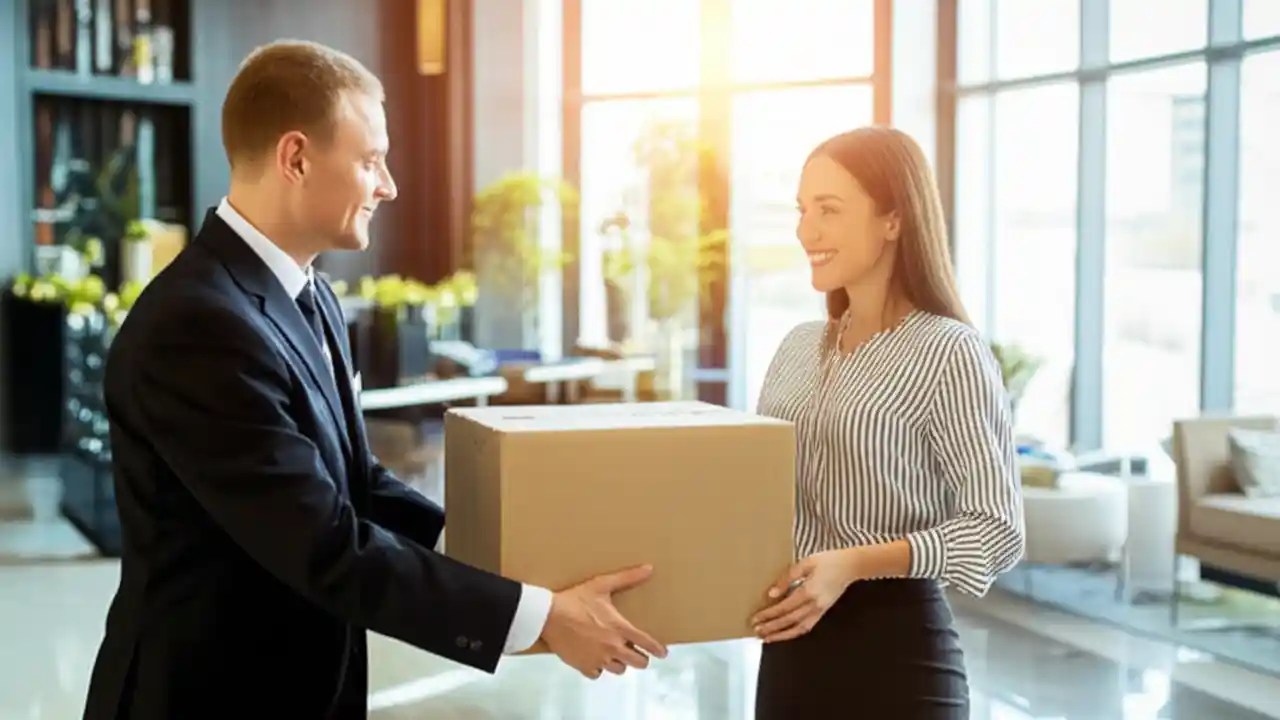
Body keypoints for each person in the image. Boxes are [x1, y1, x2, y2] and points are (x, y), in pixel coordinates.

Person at [82, 40, 665, 720]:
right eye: (369, 160)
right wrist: (539, 617)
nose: (388, 185)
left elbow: (357, 480)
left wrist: (491, 556)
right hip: (209, 694)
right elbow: (325, 544)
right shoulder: (197, 326)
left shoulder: (313, 296)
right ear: (296, 157)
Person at [749, 126, 1025, 719]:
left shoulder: (949, 351)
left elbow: (996, 529)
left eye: (829, 210)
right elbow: (759, 496)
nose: (806, 232)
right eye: (802, 210)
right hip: (792, 649)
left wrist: (854, 562)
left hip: (899, 659)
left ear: (893, 219)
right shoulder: (797, 347)